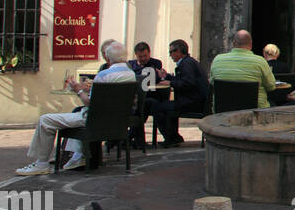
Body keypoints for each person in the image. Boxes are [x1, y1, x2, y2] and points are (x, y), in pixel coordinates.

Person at [16, 40, 137, 174]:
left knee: (45, 120)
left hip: (93, 120)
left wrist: (78, 90)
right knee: (73, 115)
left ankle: (41, 163)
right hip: (117, 120)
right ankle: (78, 156)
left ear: (107, 57)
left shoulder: (104, 75)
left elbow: (90, 103)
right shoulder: (131, 74)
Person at [145, 39, 208, 147]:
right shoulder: (188, 62)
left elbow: (188, 83)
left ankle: (171, 138)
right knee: (166, 106)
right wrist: (167, 77)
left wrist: (170, 82)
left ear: (178, 51)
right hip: (193, 100)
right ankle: (174, 137)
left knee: (156, 107)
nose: (170, 55)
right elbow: (184, 80)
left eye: (171, 52)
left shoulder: (186, 64)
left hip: (191, 102)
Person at [209, 29, 278, 108]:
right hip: (255, 112)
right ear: (251, 45)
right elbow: (271, 86)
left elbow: (212, 84)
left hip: (222, 111)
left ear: (233, 43)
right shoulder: (260, 61)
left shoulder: (217, 60)